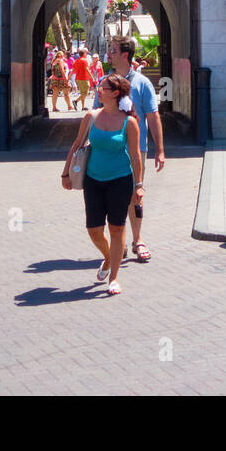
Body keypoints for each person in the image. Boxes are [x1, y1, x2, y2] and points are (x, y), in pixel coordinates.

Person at [62, 73, 143, 296]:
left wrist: (139, 185)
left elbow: (136, 157)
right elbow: (77, 145)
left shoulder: (129, 122)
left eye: (102, 88)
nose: (98, 90)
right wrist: (65, 174)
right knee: (94, 230)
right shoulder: (91, 116)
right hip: (93, 180)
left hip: (120, 179)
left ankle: (114, 277)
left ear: (115, 93)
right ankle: (108, 257)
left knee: (117, 228)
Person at [93, 36, 163, 262]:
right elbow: (94, 115)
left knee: (136, 195)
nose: (109, 54)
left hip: (135, 150)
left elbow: (153, 116)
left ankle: (138, 239)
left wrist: (159, 149)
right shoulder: (104, 83)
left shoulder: (142, 83)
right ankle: (118, 242)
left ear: (125, 54)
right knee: (112, 197)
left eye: (112, 50)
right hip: (107, 151)